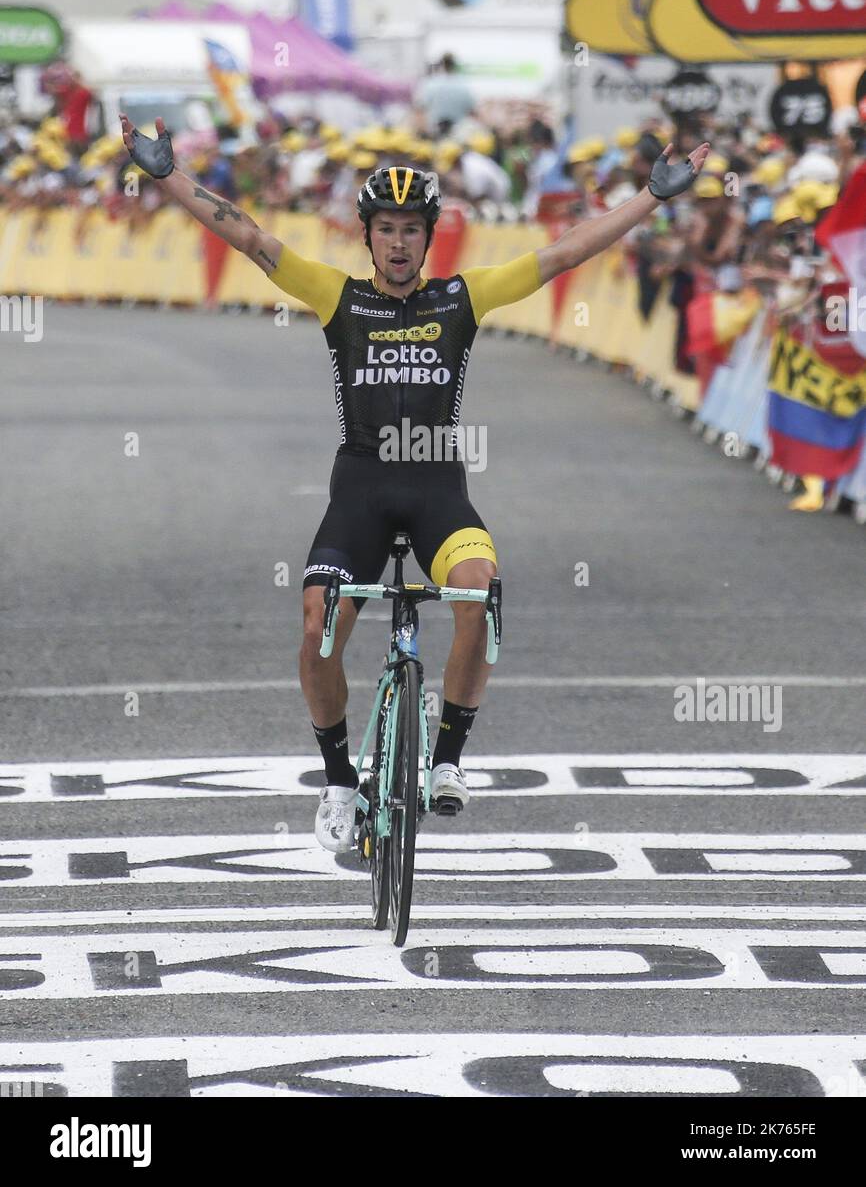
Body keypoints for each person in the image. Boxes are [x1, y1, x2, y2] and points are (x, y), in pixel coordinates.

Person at [119, 110, 709, 852]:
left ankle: (449, 761)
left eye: (411, 230)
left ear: (429, 238)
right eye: (386, 229)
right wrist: (166, 173)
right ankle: (338, 781)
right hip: (360, 491)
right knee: (316, 628)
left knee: (479, 588)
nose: (399, 243)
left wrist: (651, 197)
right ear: (367, 235)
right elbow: (250, 237)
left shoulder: (461, 299)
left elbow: (561, 255)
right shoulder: (339, 297)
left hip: (438, 490)